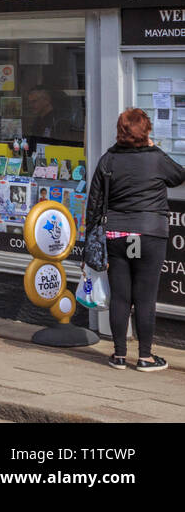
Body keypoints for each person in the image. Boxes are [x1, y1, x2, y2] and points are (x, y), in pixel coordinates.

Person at [86, 107, 185, 372]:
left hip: (117, 235)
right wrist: (154, 147)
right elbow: (179, 175)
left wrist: (89, 243)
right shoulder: (156, 159)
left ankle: (119, 355)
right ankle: (145, 357)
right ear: (146, 131)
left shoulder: (108, 160)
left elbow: (94, 204)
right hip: (149, 234)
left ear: (120, 132)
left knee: (120, 297)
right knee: (145, 297)